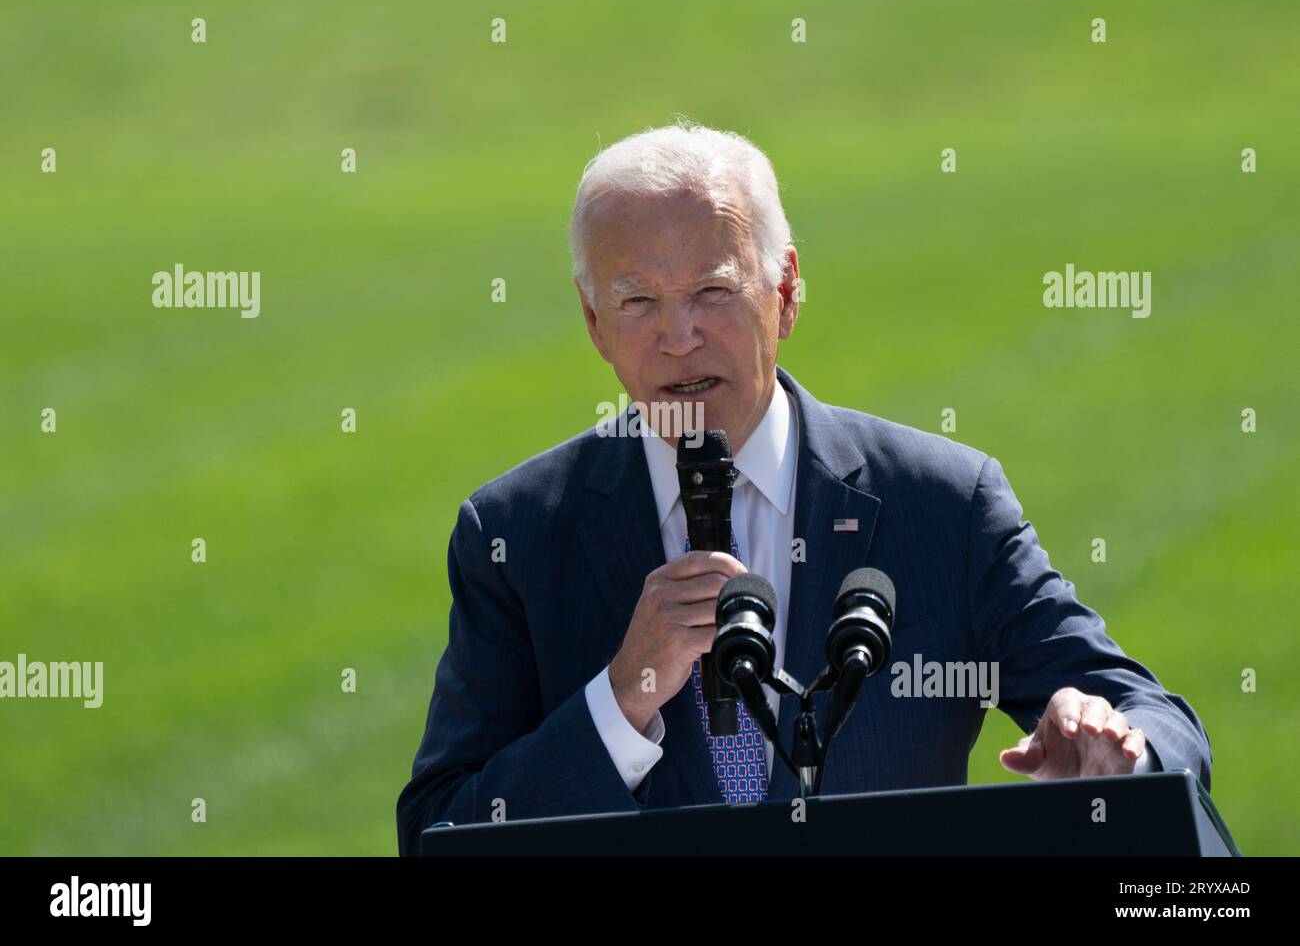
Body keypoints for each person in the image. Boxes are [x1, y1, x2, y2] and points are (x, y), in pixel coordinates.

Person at [396, 120, 1211, 855]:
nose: (679, 339)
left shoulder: (941, 503)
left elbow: (1150, 713)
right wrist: (621, 699)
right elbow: (439, 833)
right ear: (592, 323)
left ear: (785, 292)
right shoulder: (515, 533)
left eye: (713, 290)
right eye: (637, 300)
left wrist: (1118, 742)